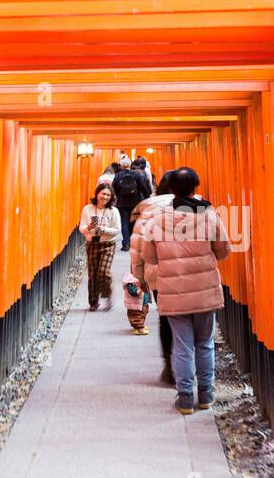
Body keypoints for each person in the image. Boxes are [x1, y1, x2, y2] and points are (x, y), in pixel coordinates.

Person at [139, 167, 231, 414]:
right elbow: (223, 250)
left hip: (172, 290)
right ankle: (206, 395)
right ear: (195, 187)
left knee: (182, 346)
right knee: (205, 343)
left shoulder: (159, 219)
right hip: (204, 290)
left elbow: (150, 256)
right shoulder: (208, 215)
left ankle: (185, 398)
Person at [130, 170, 175, 383]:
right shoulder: (199, 208)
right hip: (192, 273)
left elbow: (138, 246)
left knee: (166, 317)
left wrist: (139, 277)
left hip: (157, 272)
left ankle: (169, 365)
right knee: (191, 320)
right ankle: (189, 366)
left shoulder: (148, 210)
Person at [78, 183, 120, 311]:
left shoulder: (113, 211)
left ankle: (107, 294)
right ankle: (93, 301)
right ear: (97, 194)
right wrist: (89, 227)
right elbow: (81, 228)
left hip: (108, 244)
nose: (105, 197)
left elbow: (117, 230)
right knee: (93, 274)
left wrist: (104, 229)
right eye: (103, 194)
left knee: (103, 271)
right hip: (92, 244)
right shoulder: (87, 209)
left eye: (108, 195)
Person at [111, 162, 147, 251]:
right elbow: (143, 187)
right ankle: (133, 242)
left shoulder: (118, 175)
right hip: (135, 202)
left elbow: (113, 188)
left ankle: (126, 243)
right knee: (133, 222)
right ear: (130, 165)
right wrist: (146, 197)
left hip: (122, 203)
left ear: (121, 166)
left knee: (124, 222)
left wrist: (118, 195)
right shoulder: (136, 174)